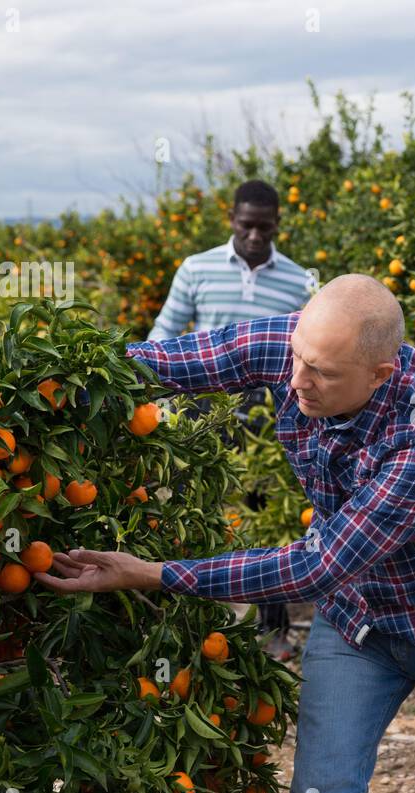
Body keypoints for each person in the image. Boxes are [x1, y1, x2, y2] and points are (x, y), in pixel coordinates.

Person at [35, 274, 415, 793]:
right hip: (358, 625)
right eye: (298, 358)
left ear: (379, 374)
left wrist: (152, 573)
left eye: (322, 373)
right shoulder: (304, 347)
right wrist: (62, 380)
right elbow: (182, 360)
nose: (297, 378)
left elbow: (319, 566)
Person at [148, 179, 316, 660]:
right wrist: (155, 390)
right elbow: (166, 332)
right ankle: (182, 621)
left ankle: (274, 630)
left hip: (266, 416)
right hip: (202, 412)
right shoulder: (197, 269)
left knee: (267, 516)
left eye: (265, 227)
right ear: (232, 220)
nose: (256, 236)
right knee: (190, 508)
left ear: (278, 224)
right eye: (248, 226)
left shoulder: (300, 280)